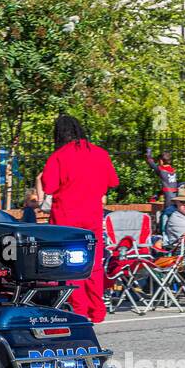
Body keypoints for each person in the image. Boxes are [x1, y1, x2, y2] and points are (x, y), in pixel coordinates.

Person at [40, 115, 119, 322]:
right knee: (93, 264)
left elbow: (49, 187)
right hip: (92, 216)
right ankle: (97, 311)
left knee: (70, 265)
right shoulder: (100, 153)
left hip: (66, 219)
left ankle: (79, 310)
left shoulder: (59, 156)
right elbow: (113, 181)